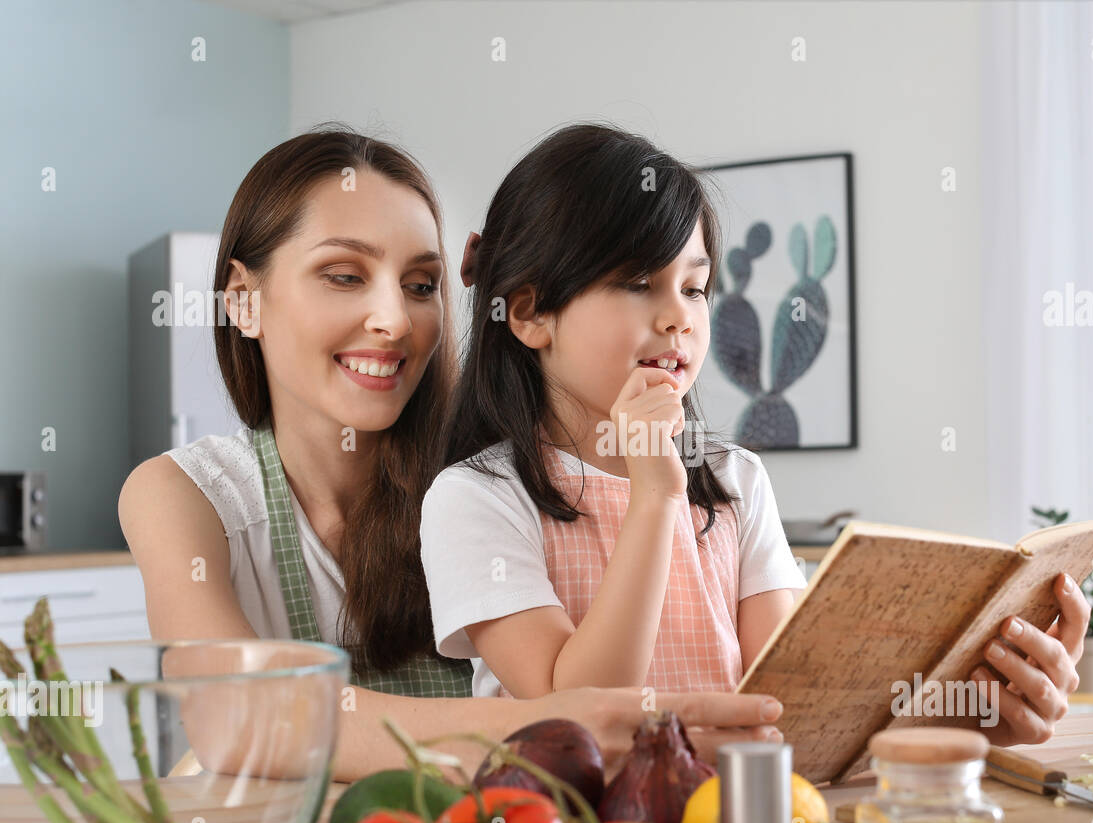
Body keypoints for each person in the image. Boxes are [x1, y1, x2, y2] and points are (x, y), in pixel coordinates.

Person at [118, 126, 785, 782]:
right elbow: (234, 716)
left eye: (420, 284)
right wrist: (557, 726)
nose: (396, 321)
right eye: (345, 275)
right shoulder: (185, 497)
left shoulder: (502, 476)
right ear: (243, 299)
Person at [425, 122, 1089, 747]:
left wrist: (972, 713)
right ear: (530, 314)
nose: (679, 318)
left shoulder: (735, 479)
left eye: (695, 287)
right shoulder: (475, 499)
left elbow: (793, 702)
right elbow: (580, 711)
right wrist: (655, 496)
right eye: (637, 283)